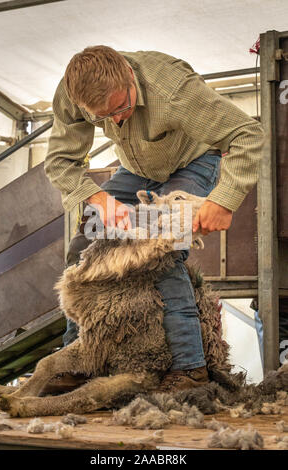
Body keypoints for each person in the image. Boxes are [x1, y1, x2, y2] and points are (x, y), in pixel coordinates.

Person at [44, 45, 264, 393]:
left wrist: (224, 199)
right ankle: (80, 362)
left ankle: (190, 369)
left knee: (163, 253)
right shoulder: (72, 95)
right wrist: (100, 199)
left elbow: (247, 135)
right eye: (103, 117)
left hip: (192, 161)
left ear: (130, 78)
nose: (115, 122)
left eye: (121, 109)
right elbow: (59, 161)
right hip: (134, 168)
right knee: (85, 246)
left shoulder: (173, 89)